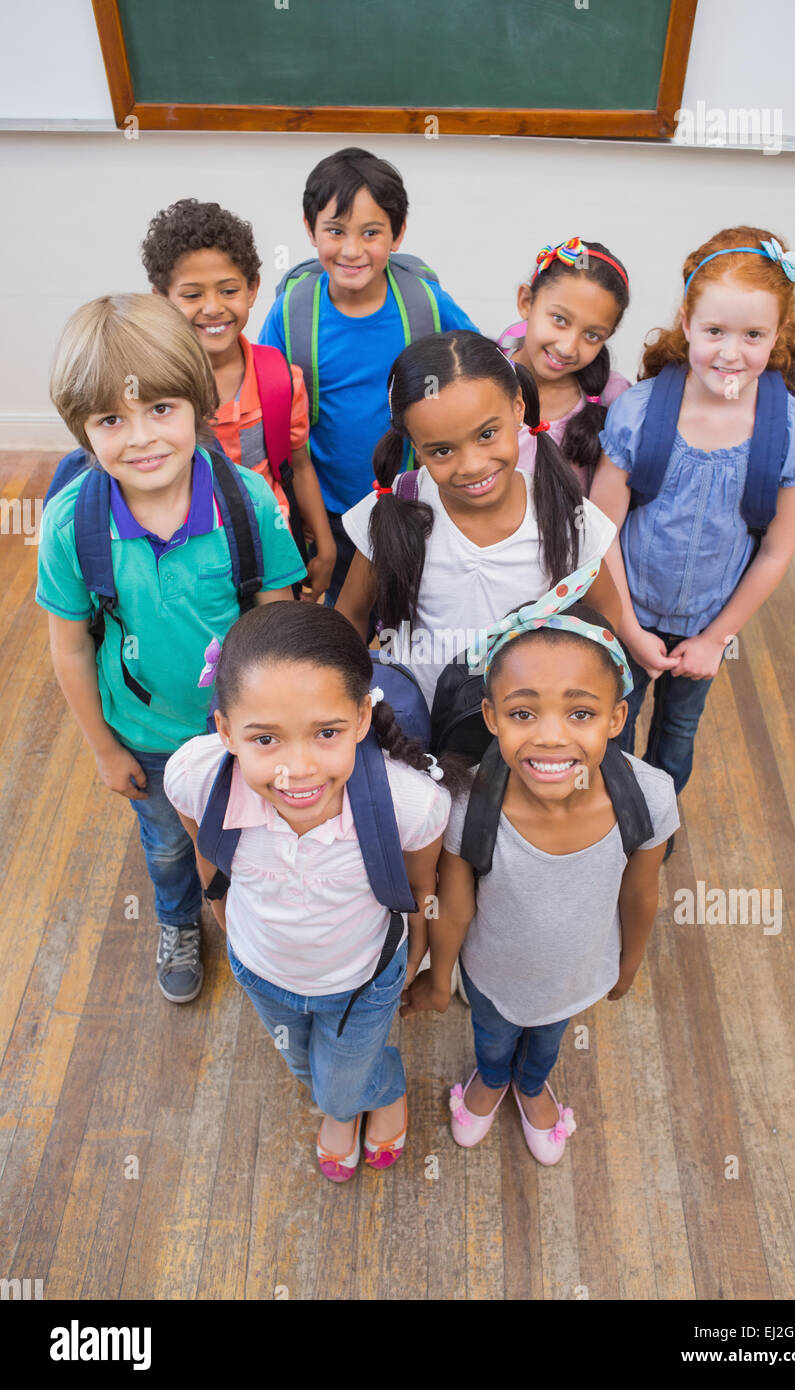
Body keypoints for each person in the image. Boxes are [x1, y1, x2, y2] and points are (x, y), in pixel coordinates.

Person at [37, 294, 305, 1003]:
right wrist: (102, 747)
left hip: (241, 732)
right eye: (111, 420)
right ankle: (179, 919)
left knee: (247, 835)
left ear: (197, 404)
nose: (142, 438)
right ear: (83, 432)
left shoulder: (246, 501)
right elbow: (68, 649)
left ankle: (252, 921)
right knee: (165, 844)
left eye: (162, 409)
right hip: (144, 738)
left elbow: (276, 623)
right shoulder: (71, 523)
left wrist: (275, 732)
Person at [163, 602, 456, 1181]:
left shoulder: (411, 803)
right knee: (303, 1064)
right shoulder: (195, 776)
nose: (296, 770)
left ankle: (371, 1094)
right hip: (261, 971)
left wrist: (418, 956)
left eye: (326, 733)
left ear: (362, 718)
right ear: (225, 730)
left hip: (362, 983)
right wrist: (223, 916)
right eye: (265, 738)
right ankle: (351, 1093)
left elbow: (423, 886)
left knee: (339, 1082)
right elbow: (207, 853)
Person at [401, 562, 678, 1165]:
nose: (551, 737)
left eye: (580, 713)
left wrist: (627, 966)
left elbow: (641, 893)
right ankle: (494, 1079)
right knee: (494, 1039)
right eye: (524, 714)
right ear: (492, 717)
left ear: (616, 718)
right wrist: (443, 977)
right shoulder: (469, 802)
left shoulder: (649, 797)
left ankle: (531, 1086)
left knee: (547, 1042)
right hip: (493, 977)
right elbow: (456, 900)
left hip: (575, 976)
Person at [590, 226, 795, 847]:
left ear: (779, 336)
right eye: (715, 331)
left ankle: (653, 832)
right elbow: (600, 527)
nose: (731, 352)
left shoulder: (791, 435)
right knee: (614, 725)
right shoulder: (640, 413)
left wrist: (716, 639)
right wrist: (630, 627)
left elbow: (776, 551)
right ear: (687, 321)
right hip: (625, 610)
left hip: (706, 627)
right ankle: (605, 827)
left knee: (677, 736)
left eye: (754, 335)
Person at [337, 329, 621, 709]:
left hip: (520, 737)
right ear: (415, 447)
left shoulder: (565, 515)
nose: (471, 466)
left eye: (487, 434)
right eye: (441, 451)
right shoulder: (392, 508)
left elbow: (605, 614)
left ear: (518, 408)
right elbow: (350, 618)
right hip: (412, 731)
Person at [258, 147, 478, 602]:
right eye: (335, 231)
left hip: (415, 506)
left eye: (371, 232)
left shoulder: (427, 304)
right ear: (310, 230)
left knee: (413, 616)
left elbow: (482, 368)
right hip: (329, 512)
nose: (352, 249)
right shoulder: (292, 313)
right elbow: (267, 402)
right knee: (346, 623)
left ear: (397, 235)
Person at [142, 197, 335, 601]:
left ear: (252, 289)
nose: (213, 308)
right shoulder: (150, 388)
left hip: (270, 556)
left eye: (228, 290)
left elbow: (297, 466)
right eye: (192, 295)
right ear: (162, 299)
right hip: (187, 565)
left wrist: (326, 544)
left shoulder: (281, 379)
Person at [498, 236, 632, 491]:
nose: (567, 347)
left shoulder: (614, 398)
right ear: (526, 302)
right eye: (559, 319)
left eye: (592, 335)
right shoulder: (478, 379)